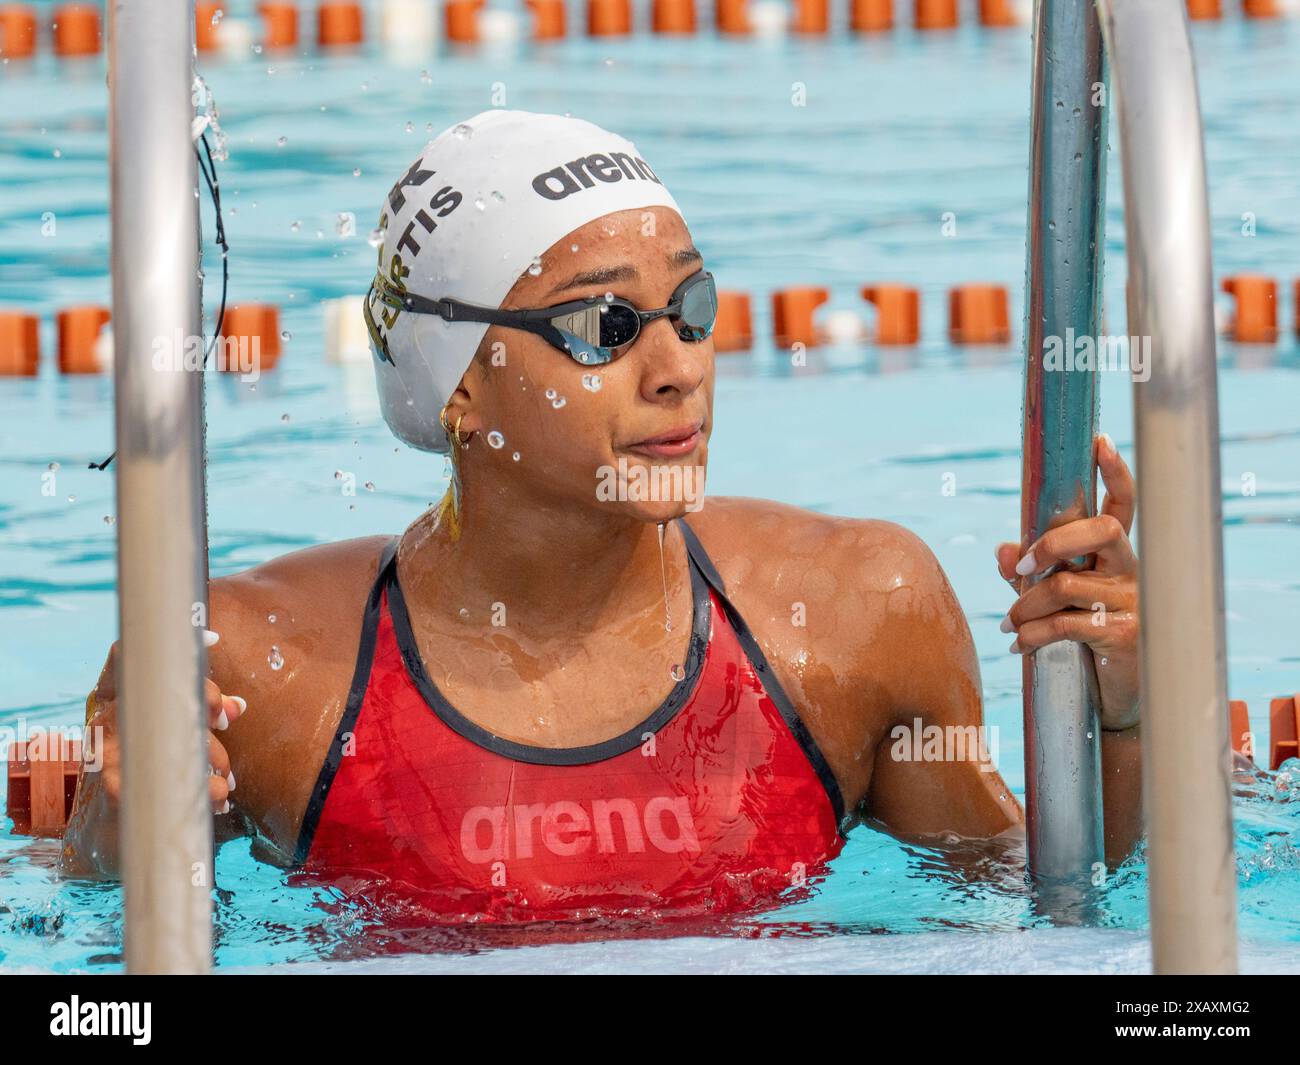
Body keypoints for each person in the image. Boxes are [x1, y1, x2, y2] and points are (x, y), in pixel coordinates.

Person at [64, 110, 1142, 921]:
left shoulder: (855, 609)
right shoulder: (260, 670)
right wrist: (122, 830)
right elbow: (93, 964)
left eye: (692, 308)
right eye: (604, 325)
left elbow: (1046, 915)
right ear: (459, 384)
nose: (678, 369)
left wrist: (1132, 715)